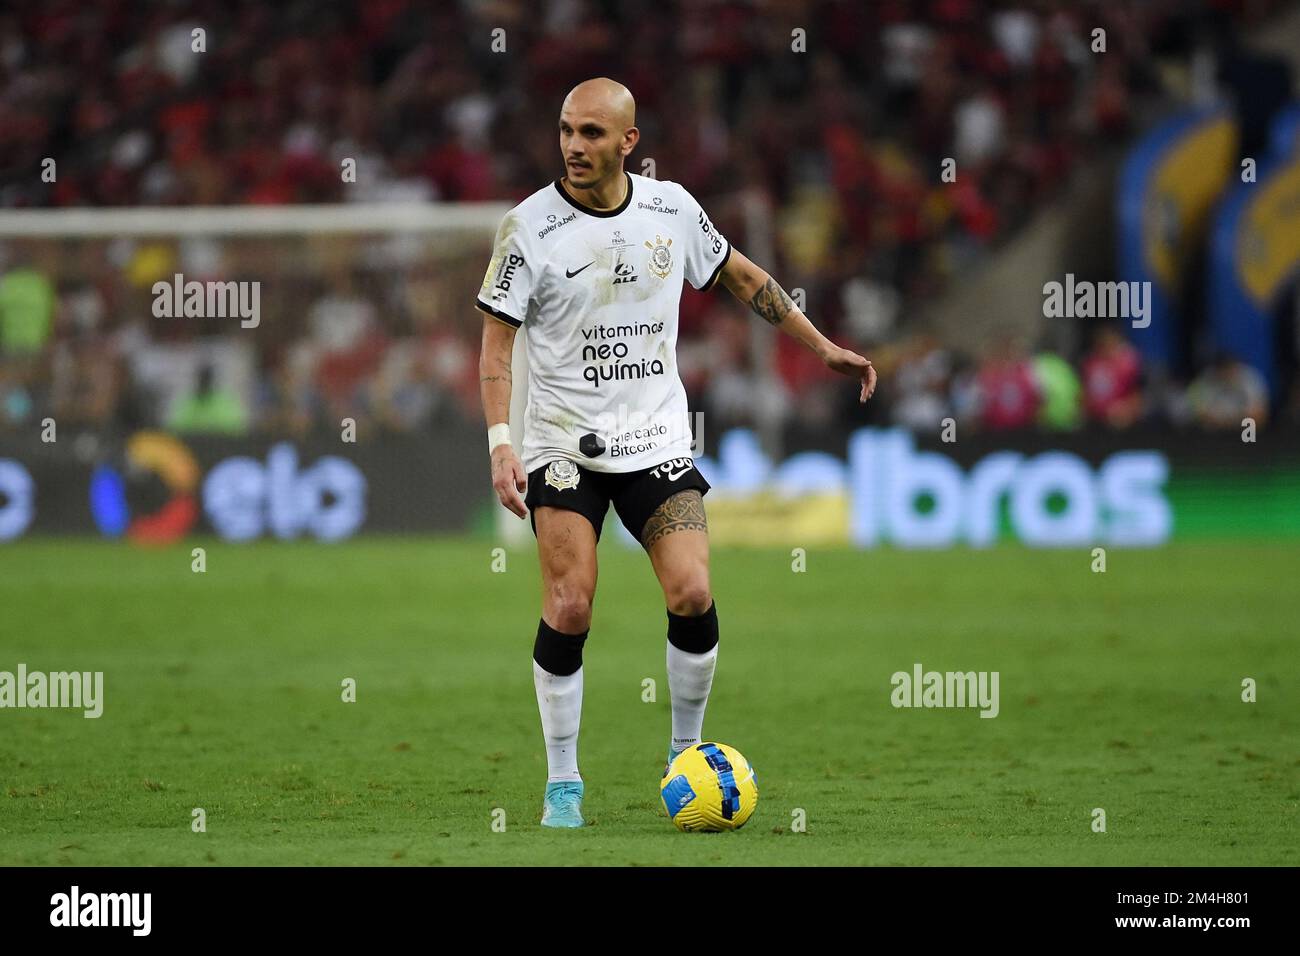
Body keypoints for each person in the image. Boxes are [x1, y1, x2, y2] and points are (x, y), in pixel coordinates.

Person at [477, 78, 877, 828]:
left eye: (592, 133)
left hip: (657, 437)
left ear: (629, 142)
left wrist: (823, 348)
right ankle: (563, 781)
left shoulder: (672, 208)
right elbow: (496, 348)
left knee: (691, 592)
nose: (573, 146)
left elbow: (743, 277)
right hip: (564, 443)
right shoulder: (527, 228)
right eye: (566, 130)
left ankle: (683, 758)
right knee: (570, 602)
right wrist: (503, 444)